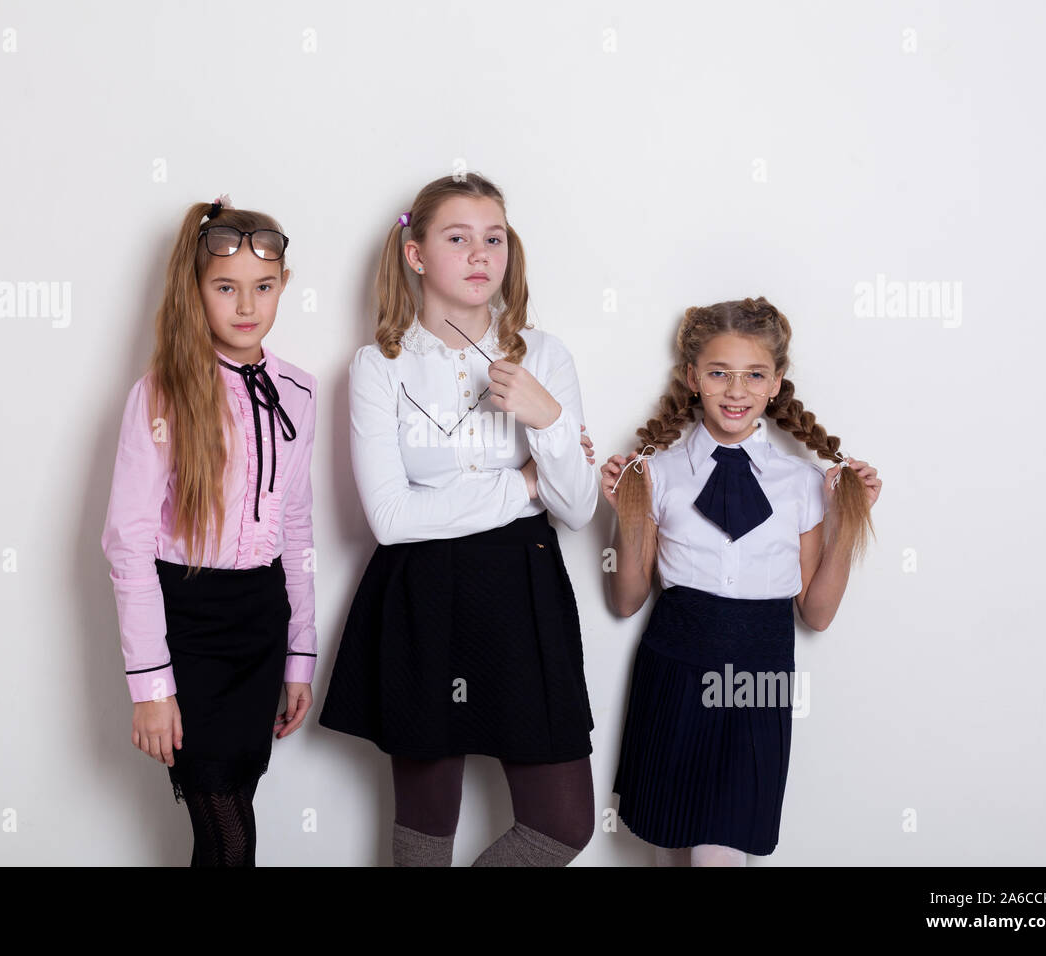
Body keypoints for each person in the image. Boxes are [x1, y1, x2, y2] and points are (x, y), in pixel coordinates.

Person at [318, 172, 599, 866]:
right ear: (416, 255)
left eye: (494, 238)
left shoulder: (546, 356)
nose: (481, 254)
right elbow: (390, 518)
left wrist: (550, 420)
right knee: (424, 830)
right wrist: (522, 484)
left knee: (562, 825)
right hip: (422, 597)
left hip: (525, 592)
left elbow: (578, 506)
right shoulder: (378, 366)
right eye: (458, 238)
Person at [602, 296, 881, 866]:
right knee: (667, 847)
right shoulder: (656, 474)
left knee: (720, 856)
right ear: (692, 378)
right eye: (718, 373)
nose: (736, 391)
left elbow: (817, 614)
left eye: (754, 375)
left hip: (758, 678)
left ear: (776, 383)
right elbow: (627, 599)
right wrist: (625, 514)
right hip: (673, 667)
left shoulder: (804, 483)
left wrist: (848, 522)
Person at [100, 195, 318, 866]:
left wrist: (299, 655)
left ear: (282, 288)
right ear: (195, 291)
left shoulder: (301, 392)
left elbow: (298, 528)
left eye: (263, 287)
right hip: (189, 623)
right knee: (226, 831)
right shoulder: (163, 392)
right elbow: (127, 541)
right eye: (226, 287)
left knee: (231, 813)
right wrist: (152, 687)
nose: (246, 306)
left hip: (260, 622)